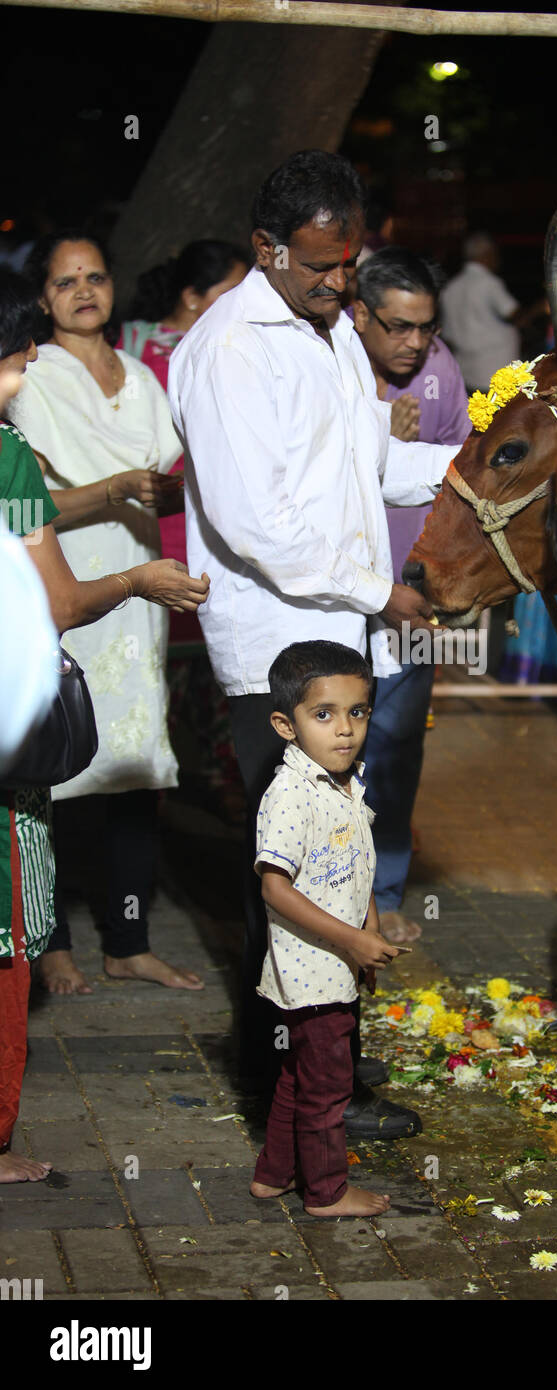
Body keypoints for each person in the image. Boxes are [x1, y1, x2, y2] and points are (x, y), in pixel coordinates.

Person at [168, 150, 459, 1134]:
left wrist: (490, 465)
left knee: (333, 864)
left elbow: (375, 463)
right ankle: (287, 1095)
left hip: (337, 635)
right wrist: (381, 589)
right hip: (276, 651)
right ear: (265, 249)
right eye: (321, 266)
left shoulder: (326, 330)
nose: (344, 284)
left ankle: (325, 1082)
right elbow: (257, 523)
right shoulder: (228, 348)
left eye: (351, 263)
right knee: (287, 881)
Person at [0, 267, 208, 1182]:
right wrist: (135, 580)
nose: (20, 379)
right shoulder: (6, 454)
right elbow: (56, 604)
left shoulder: (133, 380)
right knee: (5, 934)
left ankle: (116, 945)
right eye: (12, 365)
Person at [249, 641, 399, 1216]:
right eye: (323, 715)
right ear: (286, 725)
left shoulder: (343, 783)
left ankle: (274, 1175)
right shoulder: (290, 796)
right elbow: (274, 887)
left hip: (336, 966)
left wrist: (370, 936)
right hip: (311, 971)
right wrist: (352, 941)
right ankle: (327, 1191)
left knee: (298, 1075)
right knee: (328, 1087)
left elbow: (357, 869)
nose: (344, 730)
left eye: (357, 712)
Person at [351, 247, 470, 942]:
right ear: (359, 314)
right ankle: (323, 895)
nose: (414, 344)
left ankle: (386, 892)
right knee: (329, 750)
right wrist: (373, 434)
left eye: (425, 328)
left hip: (409, 598)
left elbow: (464, 478)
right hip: (331, 595)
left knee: (394, 750)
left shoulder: (441, 370)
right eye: (398, 327)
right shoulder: (327, 364)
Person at [120, 241, 248, 819]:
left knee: (219, 683)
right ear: (192, 297)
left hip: (214, 537)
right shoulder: (131, 351)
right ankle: (147, 805)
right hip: (151, 531)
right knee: (151, 687)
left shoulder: (239, 346)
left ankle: (227, 792)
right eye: (229, 292)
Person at [440, 232, 524, 392]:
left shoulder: (451, 288)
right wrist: (540, 308)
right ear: (487, 254)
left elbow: (448, 337)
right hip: (496, 371)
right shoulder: (489, 283)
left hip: (466, 373)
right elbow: (515, 315)